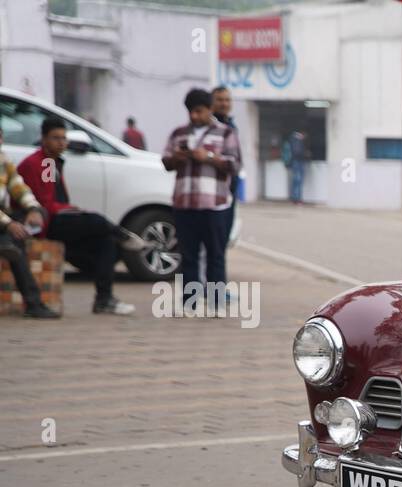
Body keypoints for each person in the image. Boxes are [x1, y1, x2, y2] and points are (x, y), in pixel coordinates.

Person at [17, 117, 141, 315]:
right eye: (55, 138)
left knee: (106, 242)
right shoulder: (42, 163)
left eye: (63, 138)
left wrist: (70, 209)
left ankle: (104, 300)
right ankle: (124, 236)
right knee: (97, 221)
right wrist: (71, 209)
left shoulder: (53, 162)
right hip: (44, 224)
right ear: (43, 139)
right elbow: (46, 204)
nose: (61, 143)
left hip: (55, 219)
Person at [161, 88, 241, 308]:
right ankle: (190, 303)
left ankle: (216, 302)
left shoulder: (225, 133)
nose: (194, 116)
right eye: (191, 112)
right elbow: (166, 162)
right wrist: (177, 158)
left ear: (209, 109)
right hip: (184, 204)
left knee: (216, 255)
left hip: (215, 205)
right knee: (189, 256)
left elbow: (235, 165)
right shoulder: (179, 133)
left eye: (199, 111)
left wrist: (208, 157)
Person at [0, 128, 58, 318]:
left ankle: (8, 240)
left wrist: (33, 209)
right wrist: (8, 224)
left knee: (40, 211)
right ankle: (33, 303)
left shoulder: (4, 160)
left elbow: (19, 188)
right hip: (4, 222)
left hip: (6, 221)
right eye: (56, 138)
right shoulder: (37, 161)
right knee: (15, 242)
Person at [211, 86, 242, 249]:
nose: (224, 104)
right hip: (214, 193)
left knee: (222, 242)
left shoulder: (231, 126)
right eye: (220, 100)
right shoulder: (210, 127)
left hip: (230, 191)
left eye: (227, 100)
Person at [283, 130, 308, 204]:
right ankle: (297, 199)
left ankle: (294, 198)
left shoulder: (292, 139)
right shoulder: (297, 140)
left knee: (295, 180)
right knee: (298, 180)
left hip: (294, 162)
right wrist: (305, 155)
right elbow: (297, 152)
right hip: (298, 162)